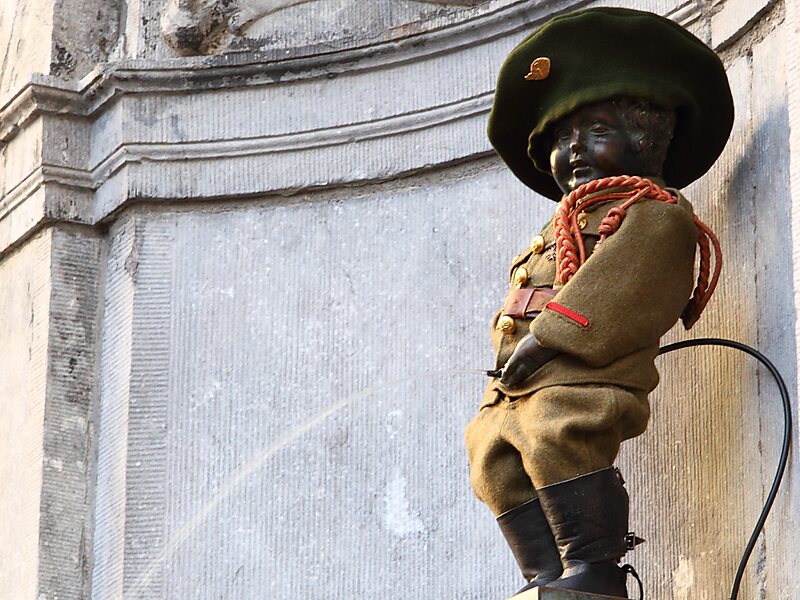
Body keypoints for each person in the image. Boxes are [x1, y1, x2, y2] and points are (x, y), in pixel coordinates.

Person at [464, 8, 733, 598]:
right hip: (520, 381)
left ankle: (593, 567)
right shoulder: (566, 222)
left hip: (578, 372)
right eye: (561, 138)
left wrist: (547, 339)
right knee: (492, 457)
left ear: (647, 140)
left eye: (597, 131)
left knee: (560, 436)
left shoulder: (654, 214)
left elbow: (617, 286)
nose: (574, 150)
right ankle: (546, 577)